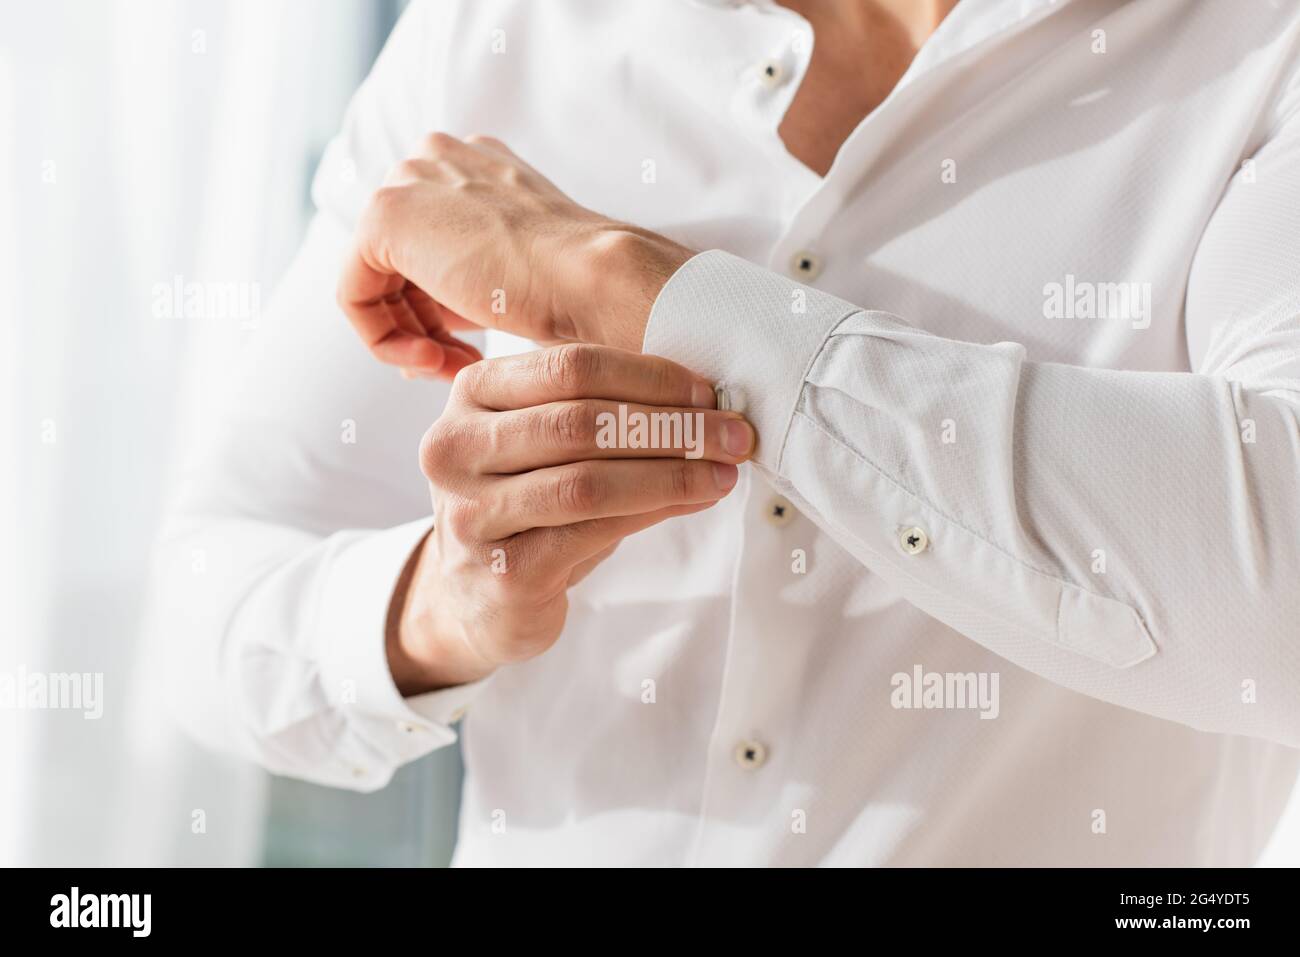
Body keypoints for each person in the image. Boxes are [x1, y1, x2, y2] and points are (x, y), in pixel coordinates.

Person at [157, 0, 1300, 865]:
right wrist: (438, 607)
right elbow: (214, 598)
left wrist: (644, 294)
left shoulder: (1258, 44)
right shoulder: (503, 28)